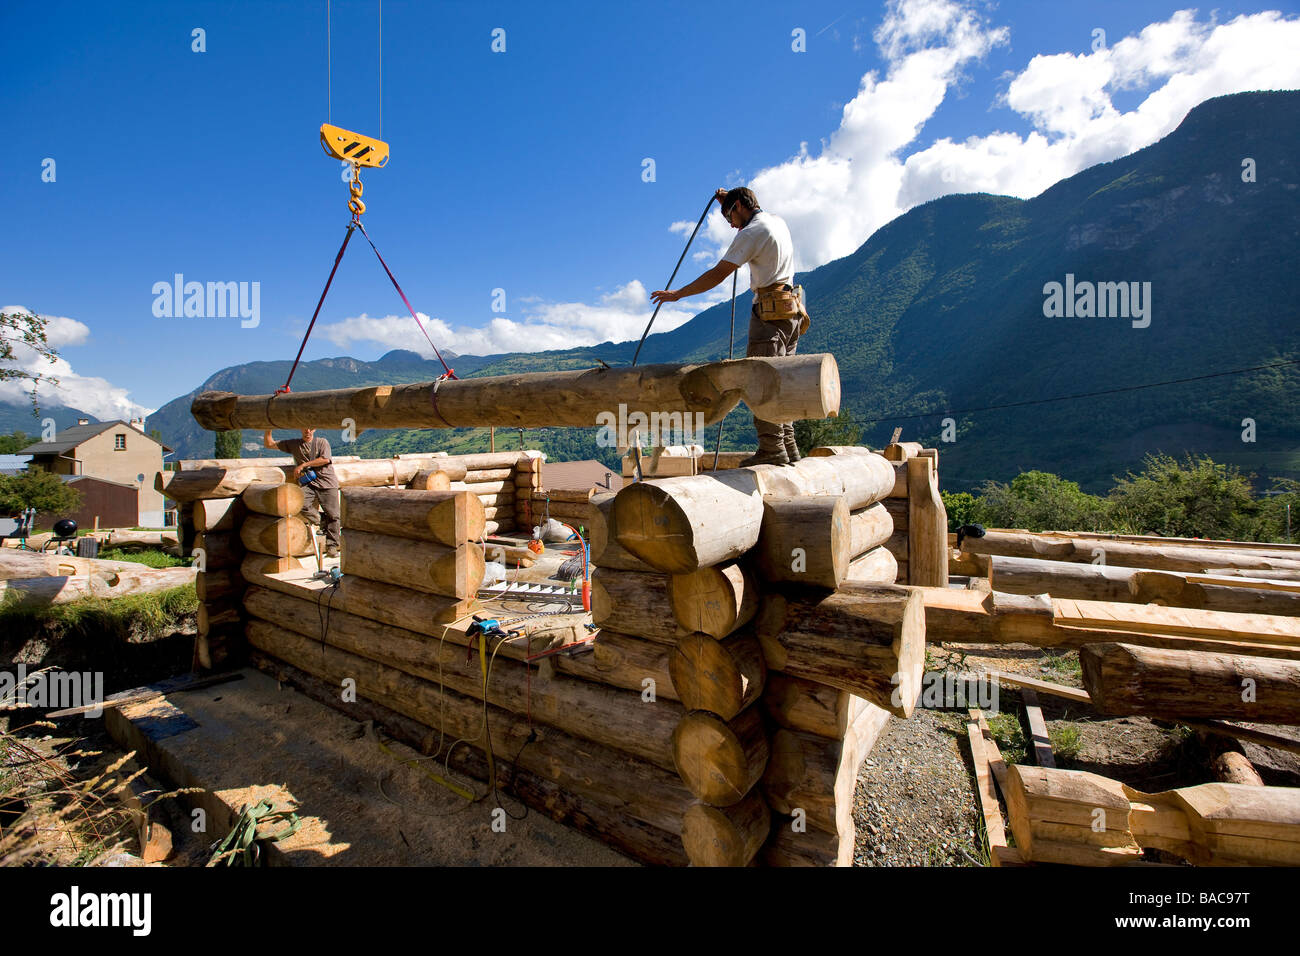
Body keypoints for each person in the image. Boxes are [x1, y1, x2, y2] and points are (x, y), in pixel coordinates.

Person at [651, 186, 808, 466]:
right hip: (792, 311)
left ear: (738, 207)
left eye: (730, 218)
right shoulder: (777, 222)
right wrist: (730, 200)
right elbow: (749, 207)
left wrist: (677, 294)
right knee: (780, 383)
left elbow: (717, 274)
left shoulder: (751, 233)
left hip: (769, 314)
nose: (731, 225)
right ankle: (789, 448)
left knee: (761, 381)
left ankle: (773, 450)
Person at [262, 427, 341, 557]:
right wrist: (268, 428)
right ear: (300, 429)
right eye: (305, 428)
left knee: (334, 515)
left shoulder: (322, 442)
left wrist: (303, 465)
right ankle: (321, 520)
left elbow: (325, 459)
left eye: (311, 428)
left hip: (327, 482)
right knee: (299, 504)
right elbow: (269, 444)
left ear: (315, 429)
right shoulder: (294, 444)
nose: (308, 431)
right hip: (308, 483)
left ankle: (332, 546)